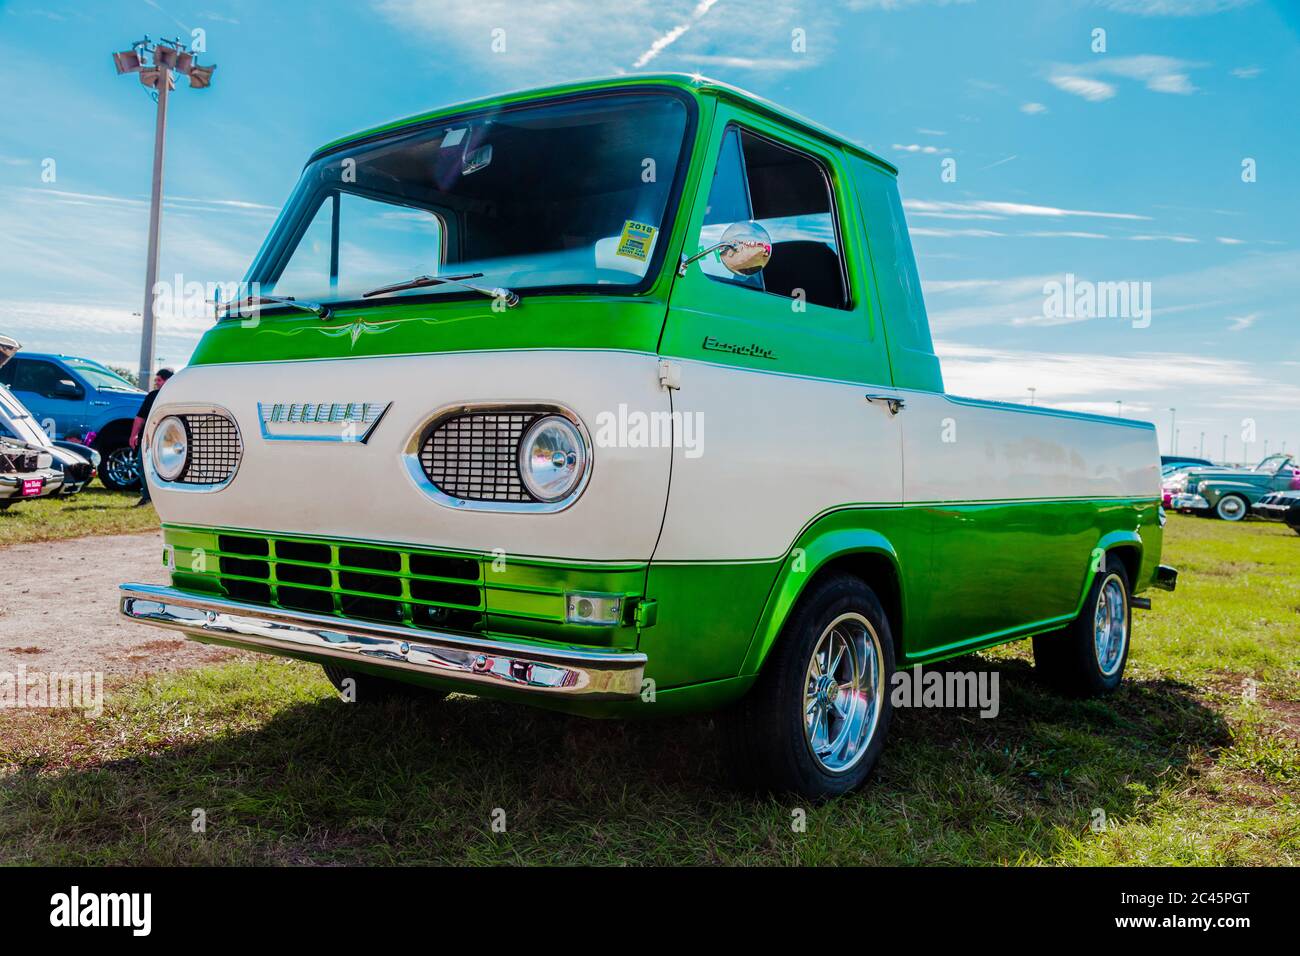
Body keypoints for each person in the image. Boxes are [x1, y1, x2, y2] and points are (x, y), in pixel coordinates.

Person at [130, 368, 174, 507]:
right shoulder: (152, 395)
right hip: (148, 438)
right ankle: (147, 497)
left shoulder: (177, 396)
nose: (157, 383)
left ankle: (169, 498)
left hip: (169, 439)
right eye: (156, 380)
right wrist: (134, 435)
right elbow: (139, 418)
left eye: (159, 380)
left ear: (168, 380)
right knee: (143, 466)